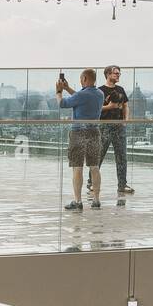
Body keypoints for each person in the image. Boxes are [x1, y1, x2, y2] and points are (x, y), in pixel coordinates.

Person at [57, 69, 104, 211]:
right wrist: (68, 88)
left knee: (77, 167)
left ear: (84, 78)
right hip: (94, 132)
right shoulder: (100, 94)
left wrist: (59, 91)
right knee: (94, 167)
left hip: (78, 132)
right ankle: (96, 200)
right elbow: (81, 97)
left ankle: (78, 201)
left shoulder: (82, 95)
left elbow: (63, 104)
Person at [87, 65, 134, 197]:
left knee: (121, 157)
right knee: (98, 155)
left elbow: (125, 105)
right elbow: (94, 109)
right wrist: (110, 106)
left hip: (119, 126)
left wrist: (125, 121)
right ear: (108, 74)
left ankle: (122, 185)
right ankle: (91, 182)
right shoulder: (99, 91)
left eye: (119, 74)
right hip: (104, 126)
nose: (118, 75)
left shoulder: (121, 90)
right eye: (116, 73)